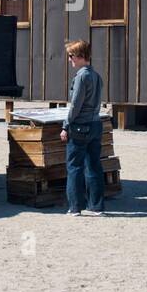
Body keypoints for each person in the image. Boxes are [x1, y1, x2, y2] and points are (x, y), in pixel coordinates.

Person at [60, 39, 105, 215]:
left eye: (71, 56)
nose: (69, 59)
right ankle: (96, 206)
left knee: (74, 167)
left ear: (79, 56)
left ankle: (75, 207)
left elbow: (75, 105)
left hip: (80, 126)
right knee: (94, 166)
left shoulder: (81, 77)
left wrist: (65, 126)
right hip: (95, 124)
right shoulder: (96, 76)